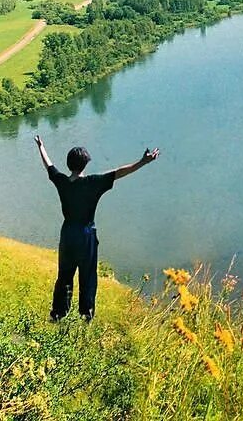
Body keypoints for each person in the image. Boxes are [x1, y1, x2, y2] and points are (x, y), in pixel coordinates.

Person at [34, 134, 159, 321]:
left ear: (69, 164)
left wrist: (40, 147)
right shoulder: (93, 183)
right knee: (88, 275)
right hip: (86, 235)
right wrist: (143, 162)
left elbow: (49, 166)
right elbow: (119, 172)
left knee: (65, 275)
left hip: (68, 233)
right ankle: (86, 314)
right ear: (85, 164)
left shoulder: (61, 181)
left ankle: (58, 313)